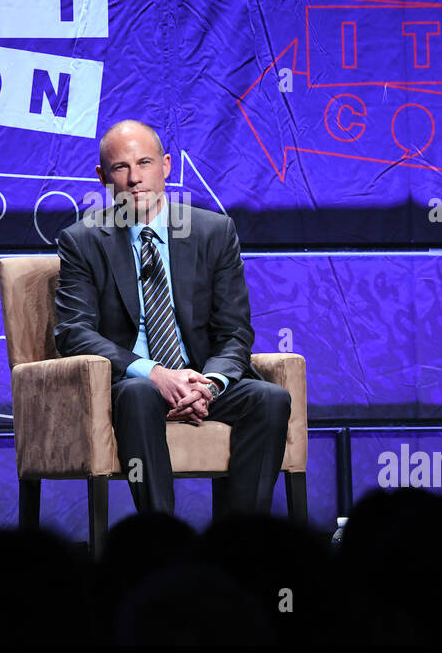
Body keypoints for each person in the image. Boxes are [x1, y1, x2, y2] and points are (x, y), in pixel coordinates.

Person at [54, 120, 289, 516]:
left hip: (200, 381)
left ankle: (241, 543)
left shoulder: (213, 231)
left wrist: (208, 385)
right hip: (134, 387)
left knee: (269, 399)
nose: (134, 179)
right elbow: (74, 332)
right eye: (120, 168)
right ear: (102, 176)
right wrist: (155, 373)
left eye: (144, 163)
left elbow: (234, 330)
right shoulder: (82, 240)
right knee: (141, 394)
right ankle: (161, 542)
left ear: (165, 165)